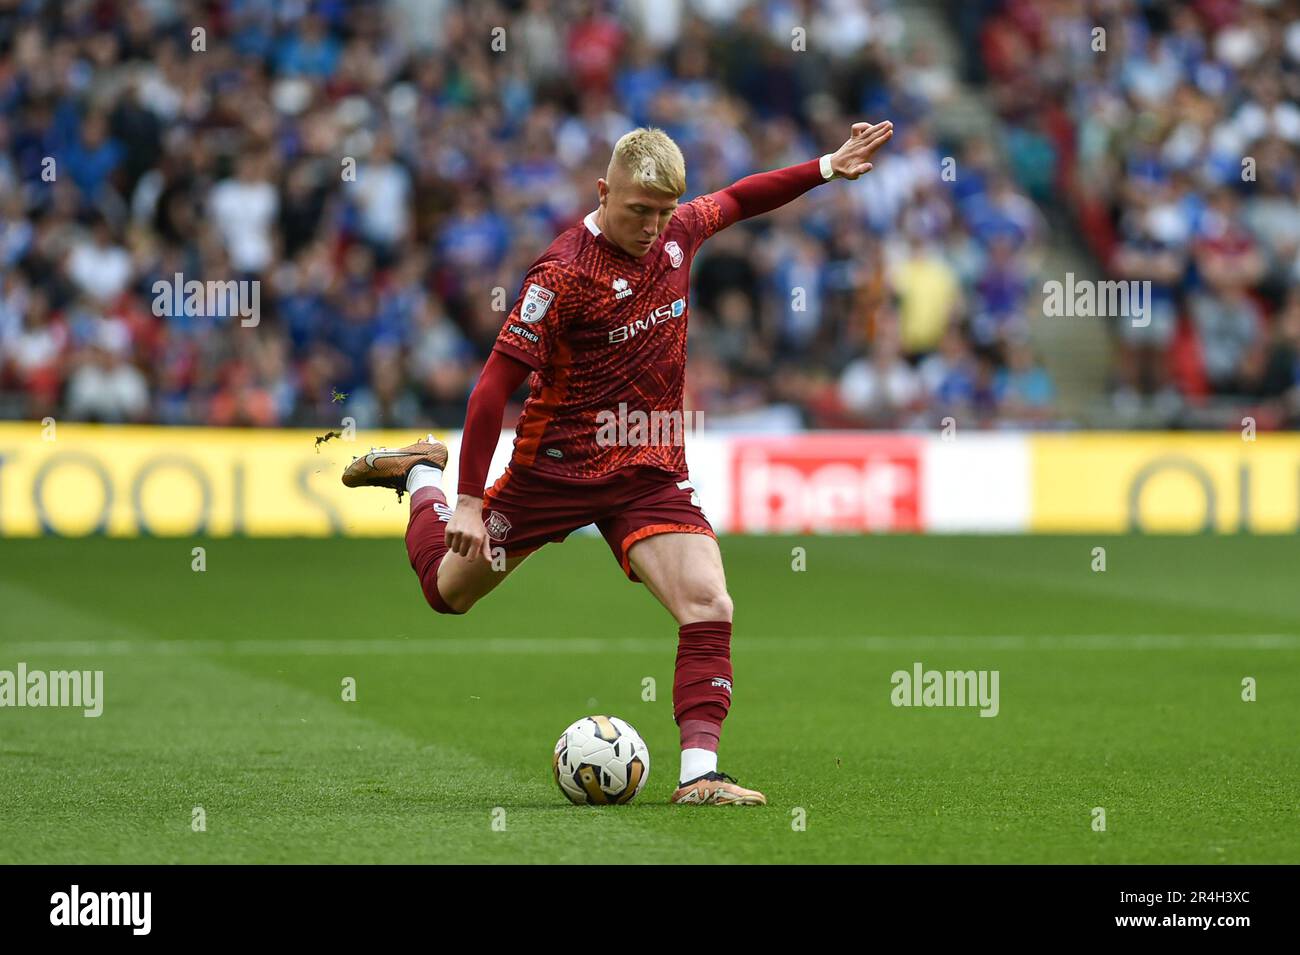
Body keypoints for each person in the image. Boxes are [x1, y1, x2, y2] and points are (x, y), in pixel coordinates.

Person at [343, 122, 894, 805]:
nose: (652, 226)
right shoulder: (563, 273)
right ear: (604, 191)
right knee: (446, 592)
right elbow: (492, 387)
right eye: (638, 210)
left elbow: (743, 198)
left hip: (649, 467)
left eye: (664, 212)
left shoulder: (678, 233)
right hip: (556, 470)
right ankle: (420, 472)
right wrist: (468, 499)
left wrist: (827, 167)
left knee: (708, 601)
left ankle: (699, 773)